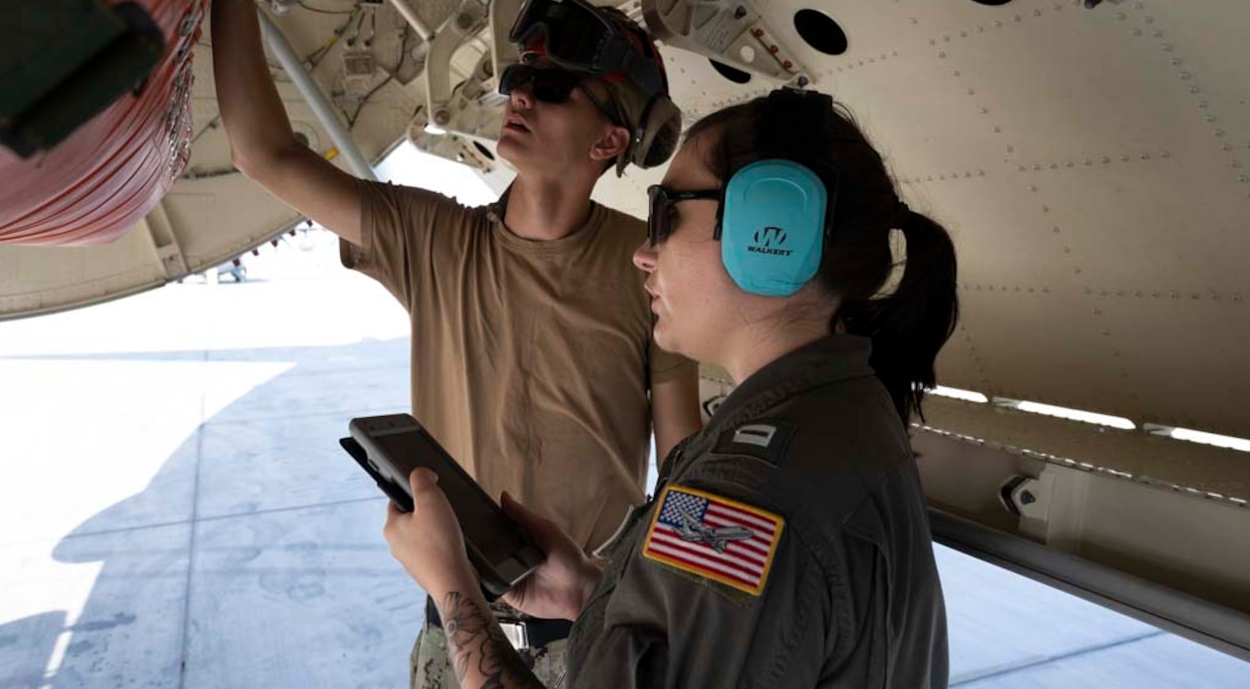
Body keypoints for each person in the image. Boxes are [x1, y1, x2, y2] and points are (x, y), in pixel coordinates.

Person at [209, 0, 702, 686]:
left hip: (594, 628)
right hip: (455, 624)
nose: (521, 96)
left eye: (553, 88)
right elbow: (265, 152)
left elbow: (686, 473)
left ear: (609, 142)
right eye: (520, 81)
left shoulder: (648, 266)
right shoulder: (434, 238)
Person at [385, 87, 958, 688]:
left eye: (668, 213)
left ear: (771, 231)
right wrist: (594, 589)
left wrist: (451, 586)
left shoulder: (747, 496)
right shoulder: (841, 412)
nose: (642, 253)